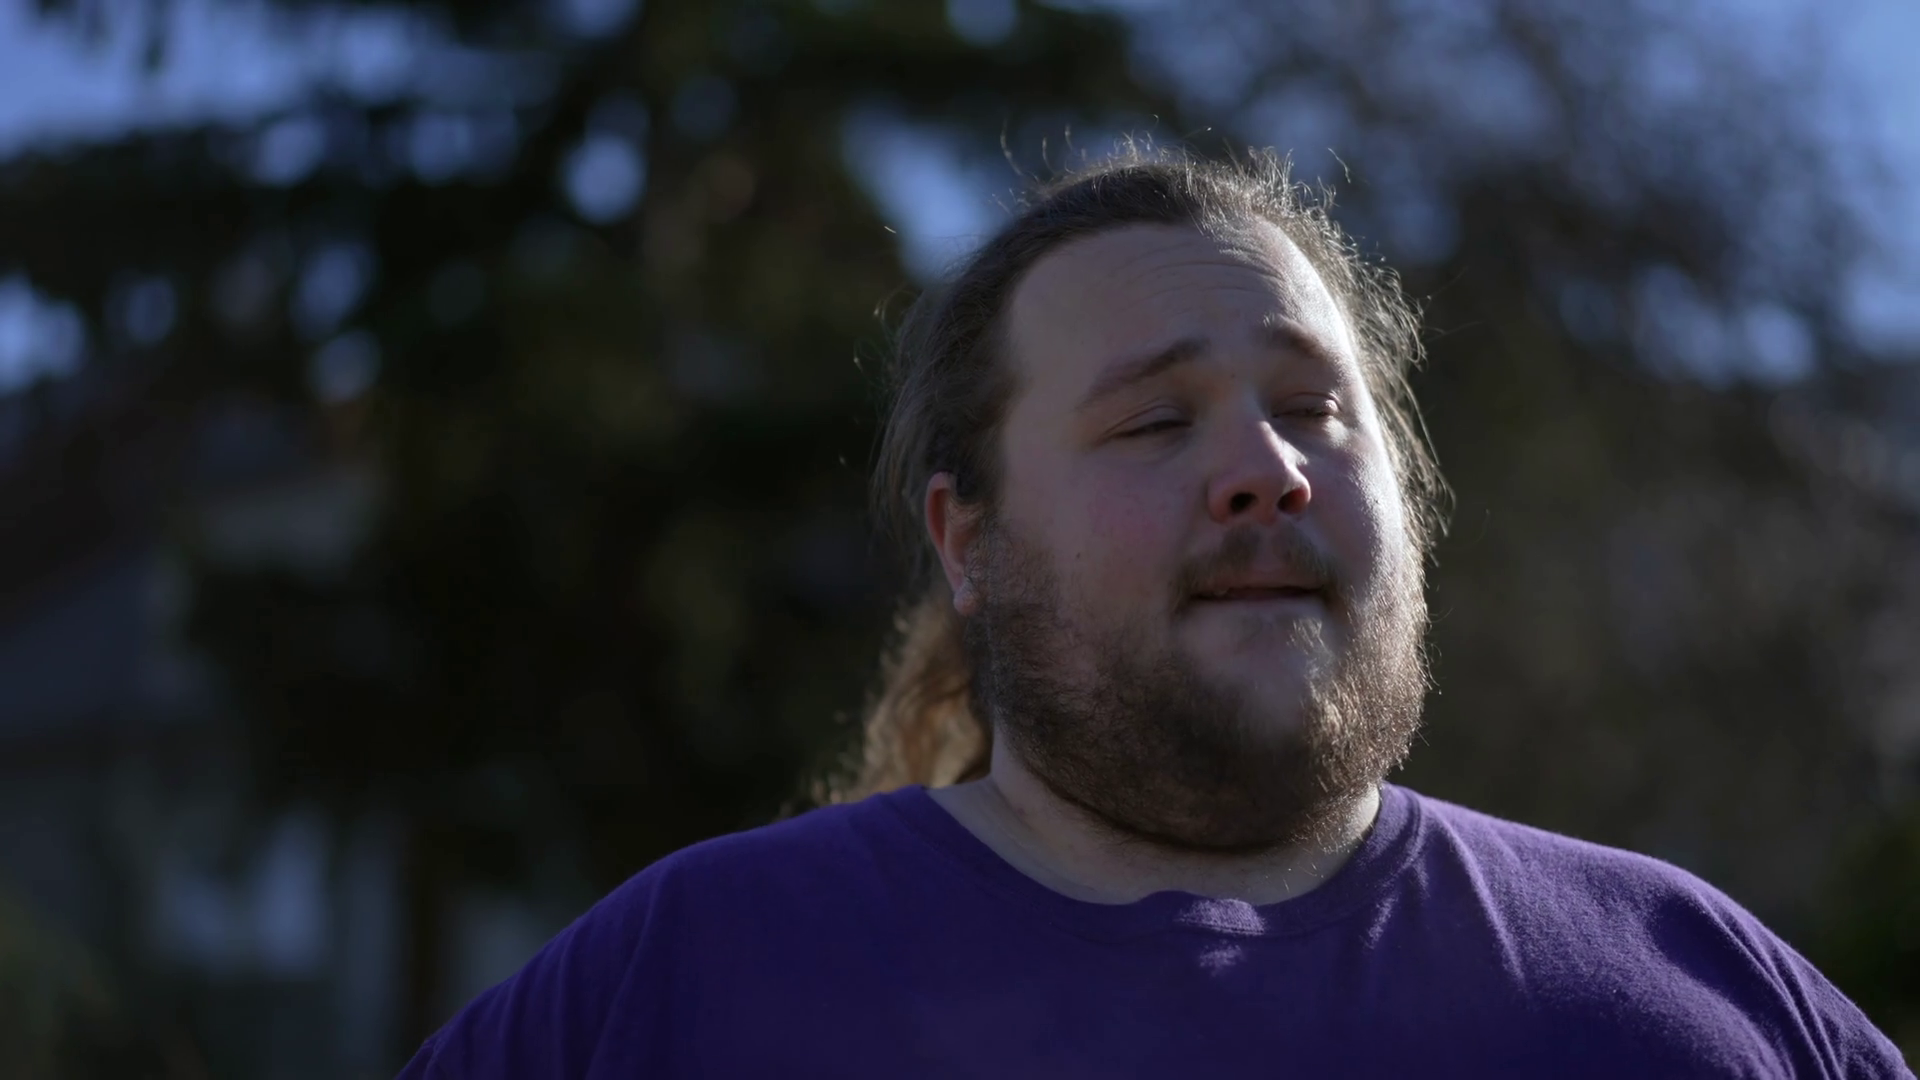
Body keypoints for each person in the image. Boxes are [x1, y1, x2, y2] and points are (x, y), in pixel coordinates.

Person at [398, 149, 1911, 1078]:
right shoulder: (685, 988)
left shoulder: (1701, 993)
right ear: (967, 543)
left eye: (1317, 412)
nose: (1264, 472)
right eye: (1150, 424)